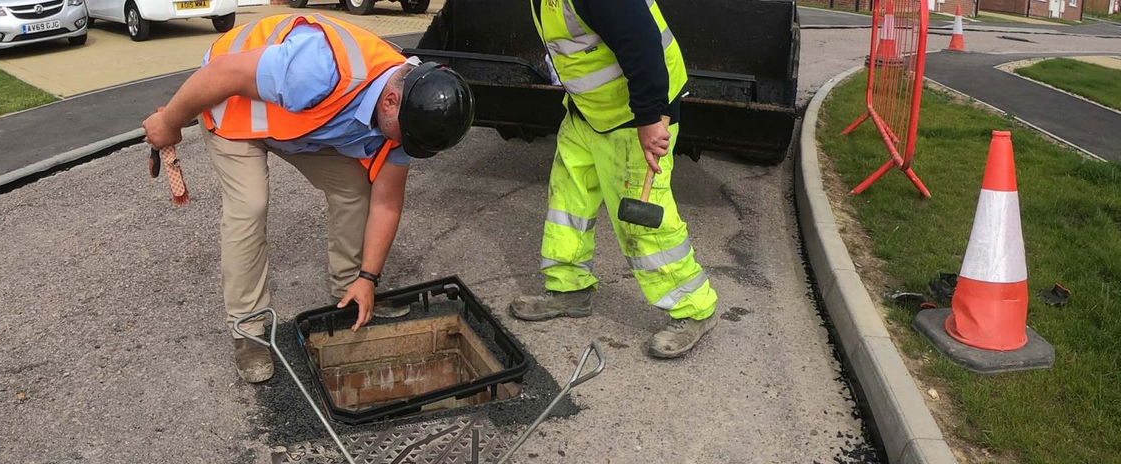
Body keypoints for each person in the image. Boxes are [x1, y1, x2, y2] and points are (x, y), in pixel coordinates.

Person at [141, 14, 474, 383]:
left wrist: (369, 278)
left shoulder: (409, 112)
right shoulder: (318, 69)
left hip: (298, 123)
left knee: (356, 188)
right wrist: (170, 121)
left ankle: (349, 288)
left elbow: (387, 202)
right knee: (250, 204)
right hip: (234, 107)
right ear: (391, 100)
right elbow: (222, 74)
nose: (401, 146)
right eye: (404, 137)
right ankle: (248, 329)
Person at [508, 0, 718, 359]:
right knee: (568, 202)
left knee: (643, 222)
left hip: (634, 117)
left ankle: (694, 310)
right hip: (589, 111)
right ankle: (569, 288)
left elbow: (643, 42)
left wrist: (651, 118)